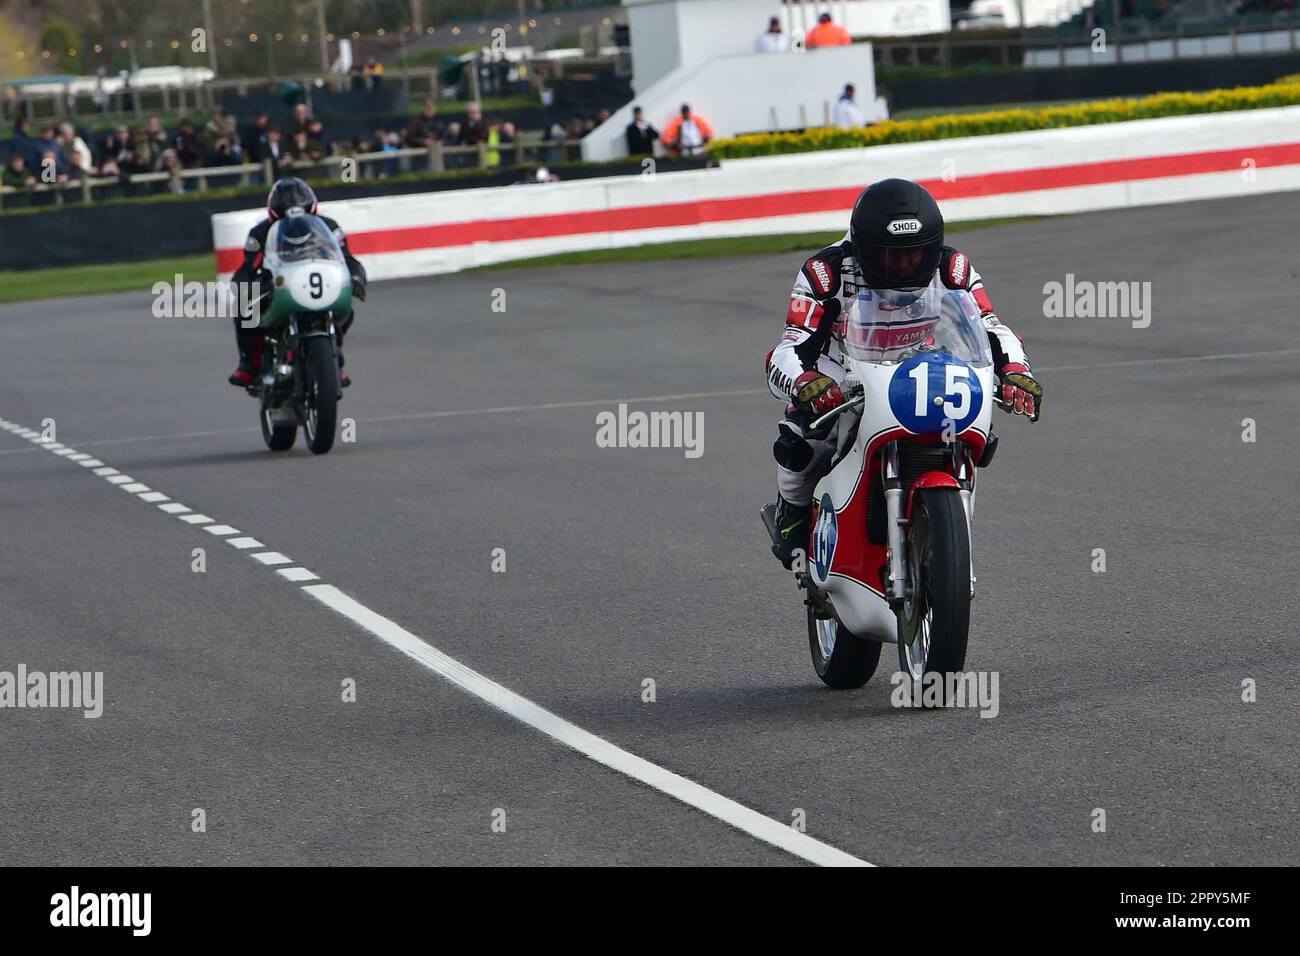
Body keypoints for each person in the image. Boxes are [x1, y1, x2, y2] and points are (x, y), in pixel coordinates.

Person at [765, 179, 1043, 568]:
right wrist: (807, 382)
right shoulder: (824, 273)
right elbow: (790, 347)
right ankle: (792, 515)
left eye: (915, 255)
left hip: (918, 364)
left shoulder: (953, 268)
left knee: (971, 425)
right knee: (802, 441)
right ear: (863, 249)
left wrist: (1015, 371)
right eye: (890, 256)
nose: (905, 265)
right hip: (843, 371)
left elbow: (990, 326)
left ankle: (943, 529)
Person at [227, 178, 367, 388]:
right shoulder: (260, 233)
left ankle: (334, 359)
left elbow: (346, 258)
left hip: (318, 278)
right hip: (278, 282)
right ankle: (249, 364)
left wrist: (356, 277)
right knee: (244, 307)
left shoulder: (329, 227)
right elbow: (249, 266)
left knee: (346, 309)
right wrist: (244, 285)